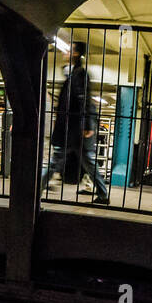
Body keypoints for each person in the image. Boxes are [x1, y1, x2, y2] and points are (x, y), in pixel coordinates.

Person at [41, 40, 109, 205]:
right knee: (86, 163)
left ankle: (35, 190)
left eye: (69, 50)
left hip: (74, 129)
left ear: (76, 53)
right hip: (72, 129)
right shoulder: (72, 74)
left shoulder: (80, 74)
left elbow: (83, 99)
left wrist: (86, 125)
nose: (65, 52)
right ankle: (103, 194)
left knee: (56, 162)